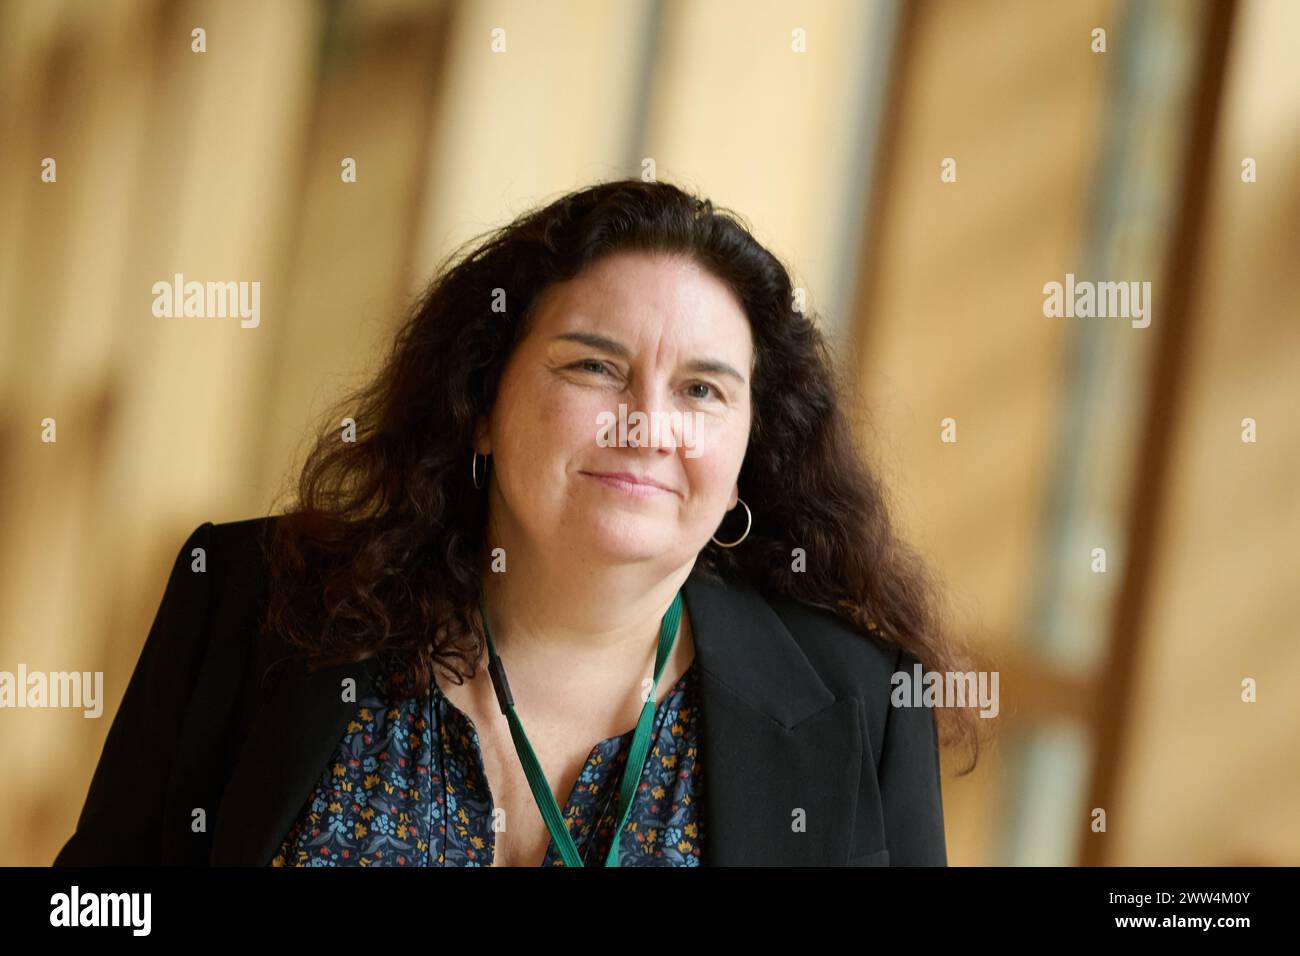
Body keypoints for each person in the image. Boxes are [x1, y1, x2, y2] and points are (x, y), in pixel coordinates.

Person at [54, 178, 978, 867]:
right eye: (594, 368)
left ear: (749, 453)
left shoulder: (858, 702)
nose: (648, 425)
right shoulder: (258, 597)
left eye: (700, 390)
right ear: (482, 404)